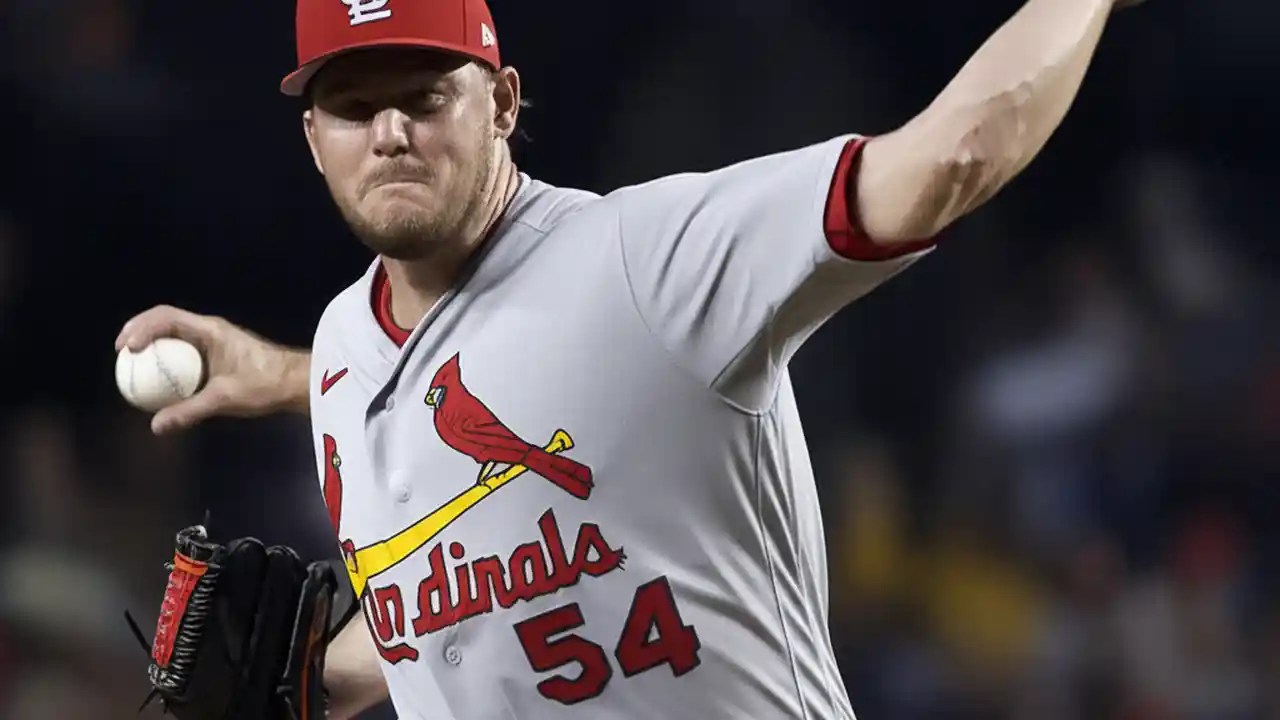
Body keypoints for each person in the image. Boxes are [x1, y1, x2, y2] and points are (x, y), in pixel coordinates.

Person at [117, 0, 1152, 717]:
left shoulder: (645, 259)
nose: (388, 131)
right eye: (352, 105)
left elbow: (951, 157)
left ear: (503, 104)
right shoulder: (349, 348)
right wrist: (308, 681)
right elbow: (463, 605)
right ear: (312, 138)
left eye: (425, 94)